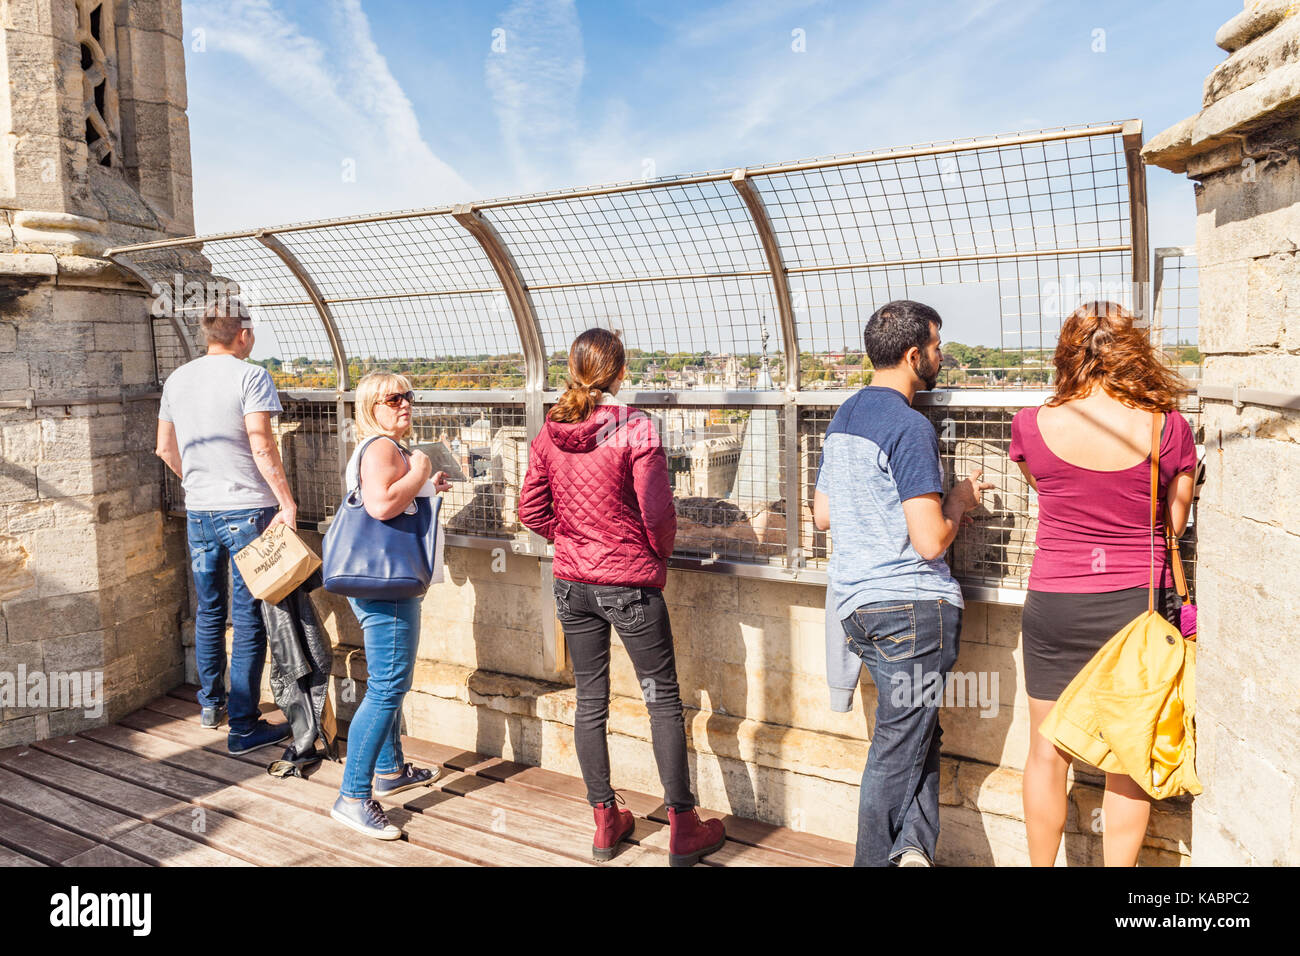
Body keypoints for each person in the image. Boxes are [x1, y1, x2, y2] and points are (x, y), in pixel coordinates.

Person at [518, 327, 726, 866]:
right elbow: (657, 514)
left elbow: (530, 511)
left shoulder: (550, 431)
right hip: (629, 585)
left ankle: (606, 820)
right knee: (661, 701)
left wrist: (571, 540)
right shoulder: (637, 429)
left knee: (591, 701)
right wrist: (652, 556)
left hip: (572, 585)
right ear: (621, 371)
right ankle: (683, 825)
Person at [1011, 301, 1195, 867]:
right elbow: (1175, 521)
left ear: (1068, 351)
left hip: (1053, 603)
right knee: (1126, 755)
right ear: (1133, 350)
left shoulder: (1030, 423)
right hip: (1132, 610)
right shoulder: (1167, 426)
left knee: (1046, 750)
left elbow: (1047, 490)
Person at [813, 300, 991, 867]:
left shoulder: (845, 415)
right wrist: (959, 500)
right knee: (897, 748)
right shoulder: (910, 426)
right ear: (915, 355)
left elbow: (821, 514)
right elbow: (931, 541)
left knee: (916, 738)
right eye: (938, 346)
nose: (942, 355)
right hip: (911, 612)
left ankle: (911, 851)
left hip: (857, 608)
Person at [156, 296, 296, 755]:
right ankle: (243, 726)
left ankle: (210, 707)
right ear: (245, 335)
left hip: (199, 511)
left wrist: (199, 484)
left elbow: (165, 449)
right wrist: (286, 502)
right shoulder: (251, 375)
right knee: (249, 617)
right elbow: (262, 444)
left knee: (211, 612)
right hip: (246, 511)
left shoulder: (178, 378)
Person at [329, 372, 452, 840]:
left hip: (385, 584)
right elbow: (381, 506)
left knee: (389, 683)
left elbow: (395, 499)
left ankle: (390, 770)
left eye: (408, 396)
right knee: (387, 686)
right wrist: (420, 471)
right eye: (392, 398)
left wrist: (424, 485)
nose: (405, 404)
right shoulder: (381, 447)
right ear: (370, 407)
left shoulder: (387, 449)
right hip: (388, 588)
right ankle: (352, 797)